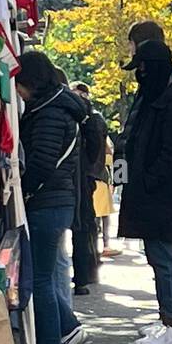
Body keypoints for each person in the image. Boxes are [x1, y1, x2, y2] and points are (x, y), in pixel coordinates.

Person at [119, 37, 172, 344]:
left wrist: (147, 179)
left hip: (164, 197)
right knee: (160, 258)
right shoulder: (162, 95)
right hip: (157, 195)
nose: (138, 73)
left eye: (140, 67)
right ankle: (169, 319)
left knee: (166, 259)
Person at [15, 52, 90, 344]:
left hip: (46, 202)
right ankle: (69, 329)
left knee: (40, 278)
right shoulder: (57, 107)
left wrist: (24, 188)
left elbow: (42, 162)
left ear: (29, 82)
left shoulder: (48, 113)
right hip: (59, 201)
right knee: (43, 273)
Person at [72, 81, 108, 295]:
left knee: (84, 224)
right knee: (86, 225)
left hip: (84, 176)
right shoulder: (94, 118)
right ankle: (86, 273)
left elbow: (96, 149)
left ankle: (86, 273)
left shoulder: (90, 119)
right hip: (88, 176)